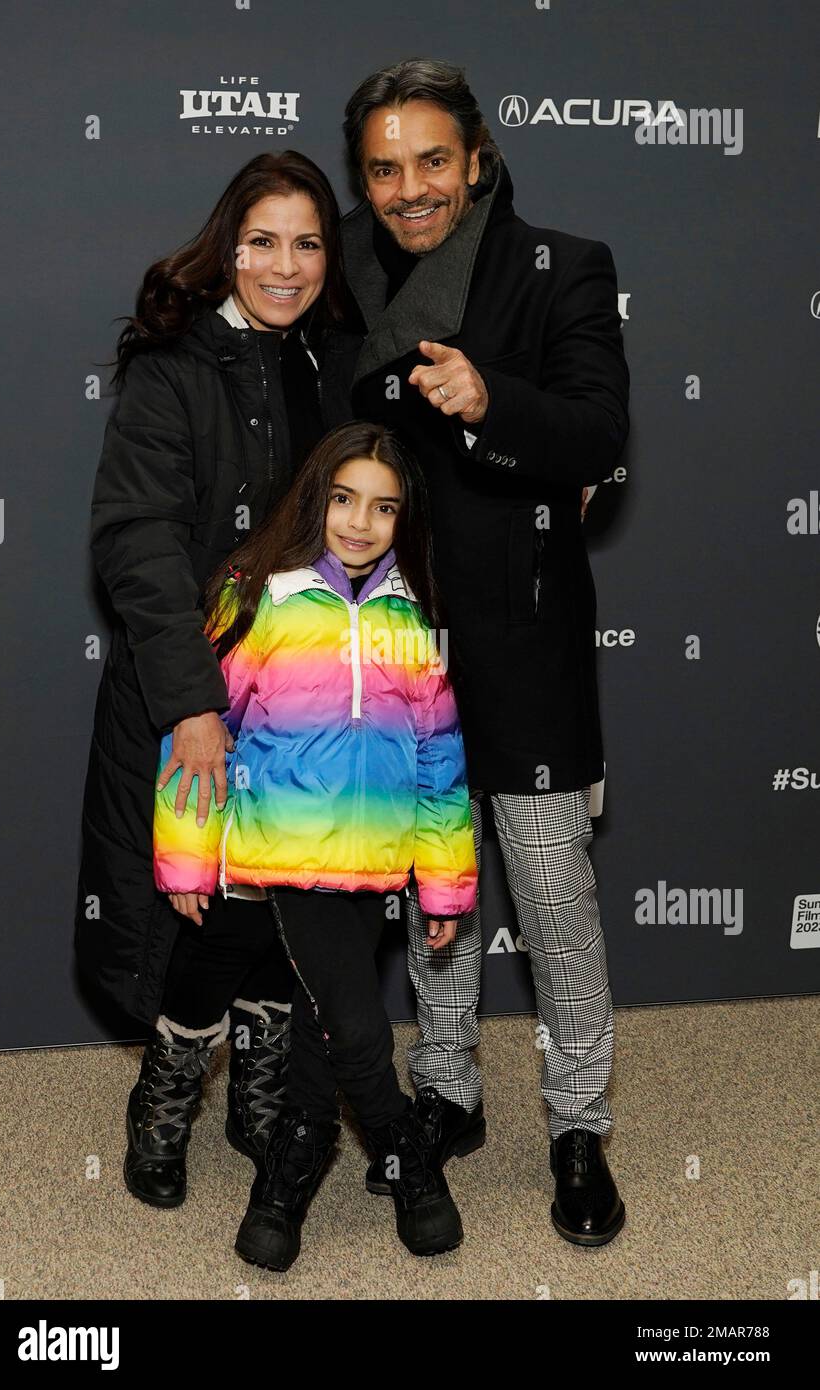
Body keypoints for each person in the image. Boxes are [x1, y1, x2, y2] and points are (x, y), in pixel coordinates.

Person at [338, 58, 631, 1246]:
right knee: (430, 891)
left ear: (478, 157)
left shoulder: (564, 264)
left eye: (431, 161)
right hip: (402, 649)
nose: (410, 189)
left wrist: (487, 399)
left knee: (555, 901)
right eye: (384, 167)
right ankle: (447, 1089)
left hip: (525, 636)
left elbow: (601, 433)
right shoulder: (353, 280)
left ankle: (578, 1125)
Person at [74, 151, 363, 1208]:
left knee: (290, 900)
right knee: (202, 915)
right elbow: (137, 542)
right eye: (262, 241)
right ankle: (167, 1093)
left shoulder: (335, 362)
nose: (284, 266)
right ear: (226, 245)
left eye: (307, 243)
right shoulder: (172, 367)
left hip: (312, 699)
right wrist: (192, 703)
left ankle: (263, 1094)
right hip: (198, 692)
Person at [153, 420, 478, 1269]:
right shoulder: (256, 594)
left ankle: (293, 1159)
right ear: (315, 499)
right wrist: (188, 855)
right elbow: (198, 738)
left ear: (404, 519)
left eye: (383, 507)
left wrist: (444, 882)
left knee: (323, 1018)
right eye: (344, 499)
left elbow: (441, 759)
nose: (360, 522)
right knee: (361, 1026)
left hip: (376, 865)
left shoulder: (416, 615)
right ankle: (407, 1159)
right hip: (288, 849)